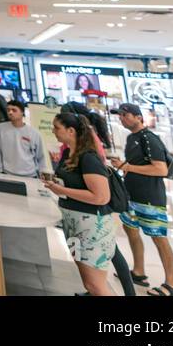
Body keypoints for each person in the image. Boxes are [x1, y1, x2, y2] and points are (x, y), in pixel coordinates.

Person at [43, 112, 115, 296]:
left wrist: (63, 191)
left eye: (56, 128)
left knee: (95, 285)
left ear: (71, 130)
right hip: (73, 224)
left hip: (92, 227)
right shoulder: (68, 152)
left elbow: (101, 197)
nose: (53, 131)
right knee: (87, 281)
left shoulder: (88, 158)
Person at [111, 103, 173, 296]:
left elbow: (161, 169)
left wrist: (128, 168)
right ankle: (138, 271)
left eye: (125, 115)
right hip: (131, 195)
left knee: (159, 238)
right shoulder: (132, 138)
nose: (122, 119)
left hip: (150, 198)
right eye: (120, 116)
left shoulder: (150, 139)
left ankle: (171, 285)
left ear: (138, 117)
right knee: (131, 231)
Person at [0, 100, 46, 178]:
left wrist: (42, 173)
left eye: (14, 110)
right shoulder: (0, 128)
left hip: (30, 175)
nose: (10, 112)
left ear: (22, 112)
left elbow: (40, 156)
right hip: (7, 173)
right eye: (8, 110)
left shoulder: (34, 133)